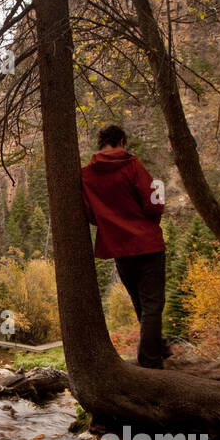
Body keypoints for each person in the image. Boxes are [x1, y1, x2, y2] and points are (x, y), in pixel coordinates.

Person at [80, 124, 169, 369]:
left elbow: (89, 214)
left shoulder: (87, 175)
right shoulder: (132, 164)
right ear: (121, 141)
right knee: (152, 304)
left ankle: (159, 347)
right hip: (147, 243)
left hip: (119, 247)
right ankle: (151, 362)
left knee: (141, 303)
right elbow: (153, 202)